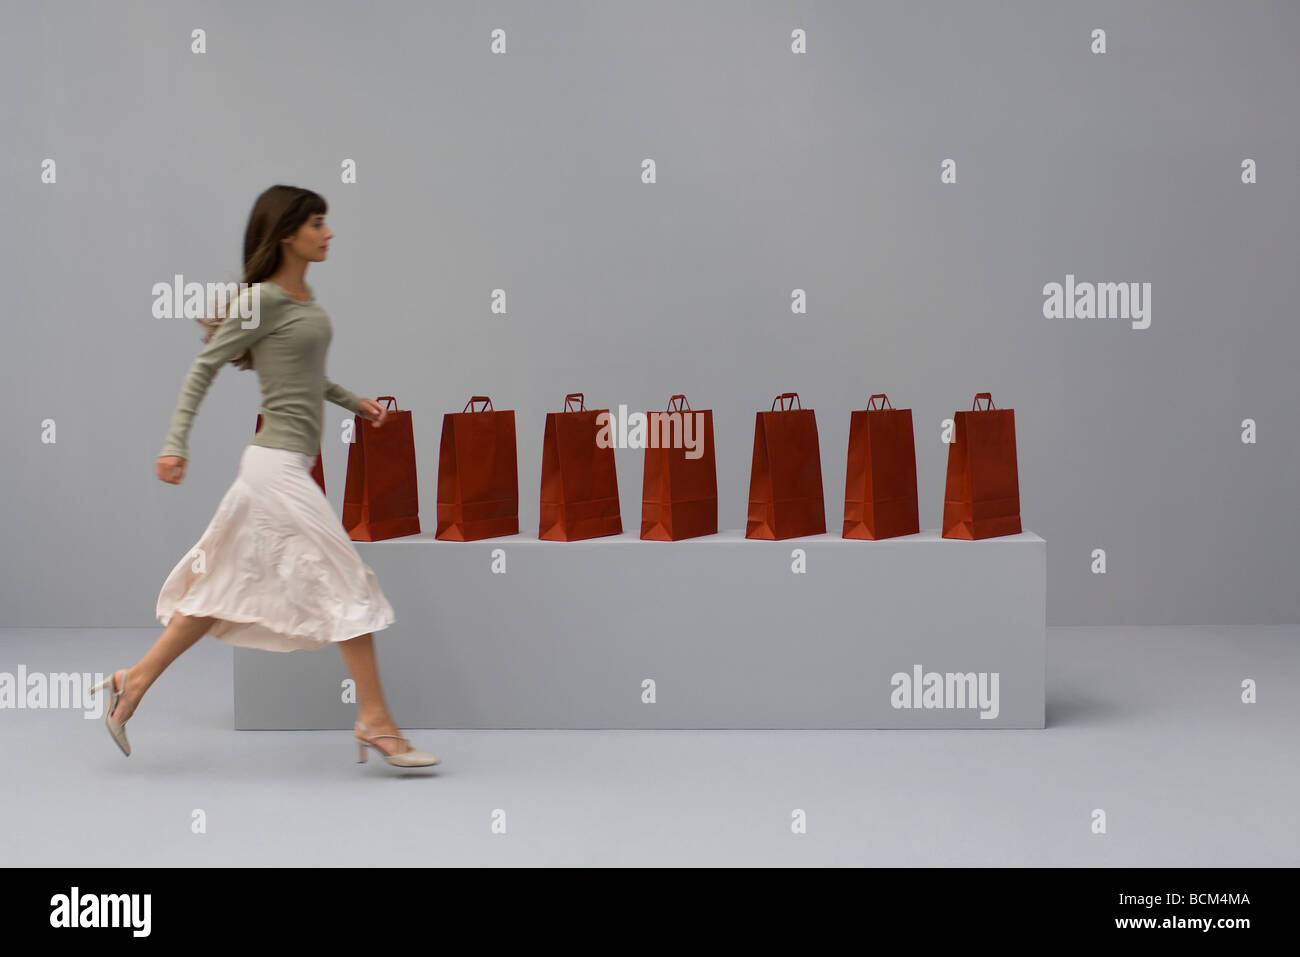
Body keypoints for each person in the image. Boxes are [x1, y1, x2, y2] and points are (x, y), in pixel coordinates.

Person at [90, 185, 437, 769]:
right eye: (318, 223)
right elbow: (204, 365)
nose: (329, 233)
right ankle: (376, 721)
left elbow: (305, 378)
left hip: (283, 465)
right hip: (273, 470)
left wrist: (355, 402)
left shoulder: (303, 299)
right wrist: (176, 444)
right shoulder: (266, 302)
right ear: (287, 233)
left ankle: (133, 681)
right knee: (348, 583)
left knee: (218, 589)